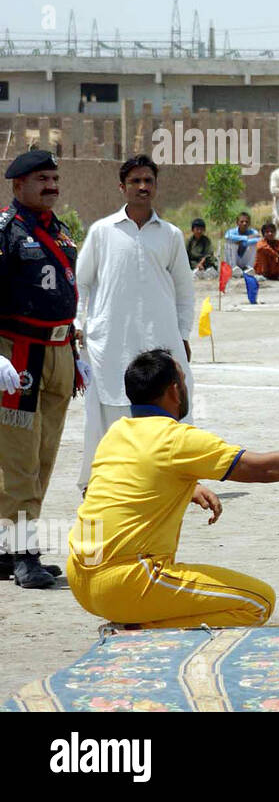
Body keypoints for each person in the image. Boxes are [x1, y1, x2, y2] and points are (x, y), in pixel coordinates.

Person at [67, 349, 279, 629]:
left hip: (80, 578)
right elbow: (265, 469)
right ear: (174, 390)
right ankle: (137, 628)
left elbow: (126, 485)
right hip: (125, 583)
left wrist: (189, 486)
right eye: (183, 381)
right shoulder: (178, 440)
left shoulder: (116, 433)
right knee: (257, 603)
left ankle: (136, 619)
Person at [75, 154, 194, 496]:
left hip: (161, 338)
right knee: (109, 407)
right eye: (136, 182)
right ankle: (104, 480)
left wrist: (183, 334)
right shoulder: (101, 232)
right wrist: (77, 324)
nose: (143, 187)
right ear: (122, 187)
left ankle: (167, 477)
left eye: (149, 181)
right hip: (111, 340)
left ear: (156, 186)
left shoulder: (170, 235)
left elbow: (185, 291)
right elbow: (80, 283)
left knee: (167, 402)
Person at [1, 150, 84, 587]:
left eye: (54, 177)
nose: (51, 185)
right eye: (41, 179)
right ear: (18, 186)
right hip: (19, 357)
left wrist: (76, 348)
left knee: (44, 458)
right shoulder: (6, 231)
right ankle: (24, 553)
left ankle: (4, 547)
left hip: (59, 352)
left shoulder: (60, 230)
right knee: (20, 463)